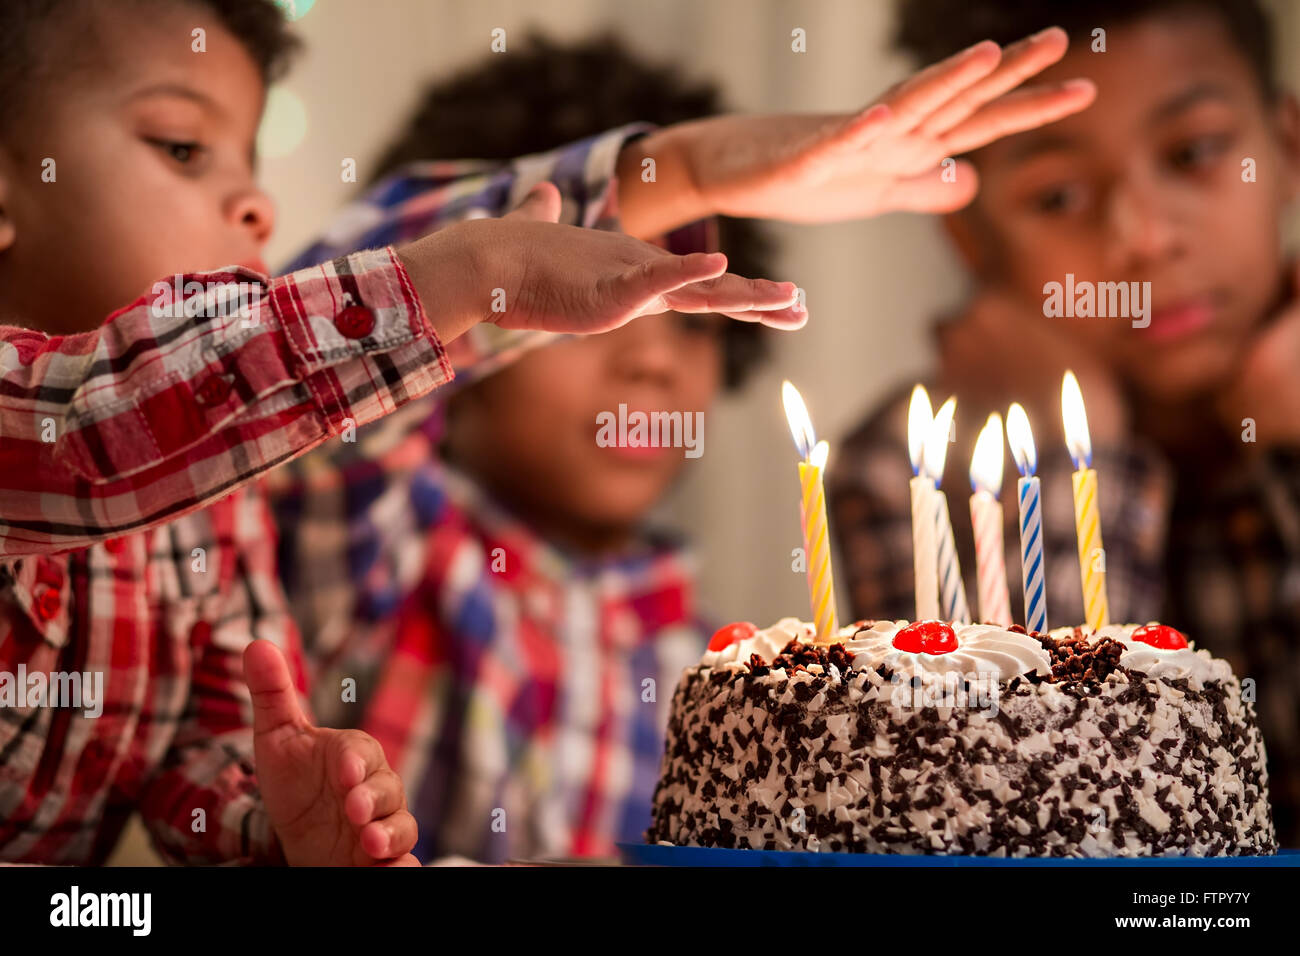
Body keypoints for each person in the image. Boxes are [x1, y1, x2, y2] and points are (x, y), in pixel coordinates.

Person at [0, 0, 801, 864]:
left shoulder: (218, 514)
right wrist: (489, 270)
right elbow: (98, 436)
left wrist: (279, 821)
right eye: (185, 148)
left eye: (692, 325)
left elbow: (209, 749)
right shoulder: (359, 517)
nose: (257, 204)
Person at [269, 29, 1095, 861]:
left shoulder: (730, 678)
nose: (654, 358)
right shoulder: (379, 560)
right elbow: (330, 341)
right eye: (590, 310)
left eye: (693, 315)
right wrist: (688, 171)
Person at [827, 0, 1300, 847]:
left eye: (1193, 154)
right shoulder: (915, 472)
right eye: (1058, 195)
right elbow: (1033, 826)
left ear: (1290, 150)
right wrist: (1063, 455)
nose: (1142, 238)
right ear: (970, 242)